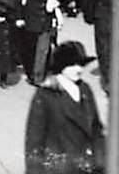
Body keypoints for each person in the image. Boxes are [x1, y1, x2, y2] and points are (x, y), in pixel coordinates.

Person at [23, 41, 106, 174]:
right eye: (72, 65)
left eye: (81, 64)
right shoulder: (46, 95)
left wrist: (101, 161)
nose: (79, 69)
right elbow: (34, 140)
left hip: (87, 167)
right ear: (61, 66)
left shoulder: (85, 90)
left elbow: (96, 129)